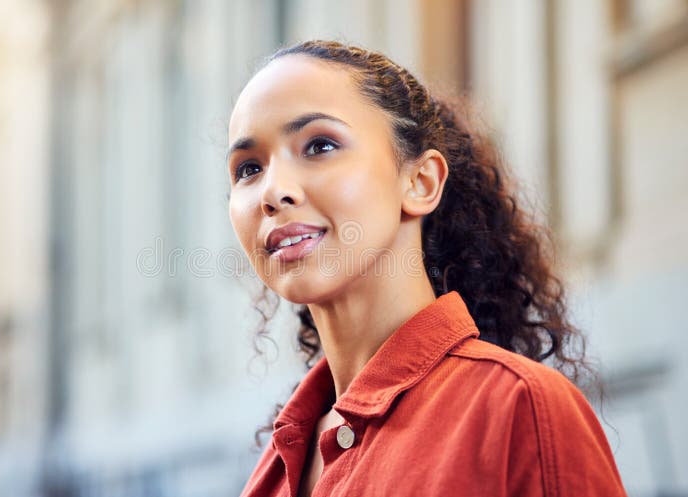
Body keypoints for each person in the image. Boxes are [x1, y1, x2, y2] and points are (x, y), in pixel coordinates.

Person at [226, 40, 628, 497]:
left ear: (420, 182)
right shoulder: (278, 466)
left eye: (319, 145)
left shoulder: (520, 408)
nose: (273, 191)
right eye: (248, 168)